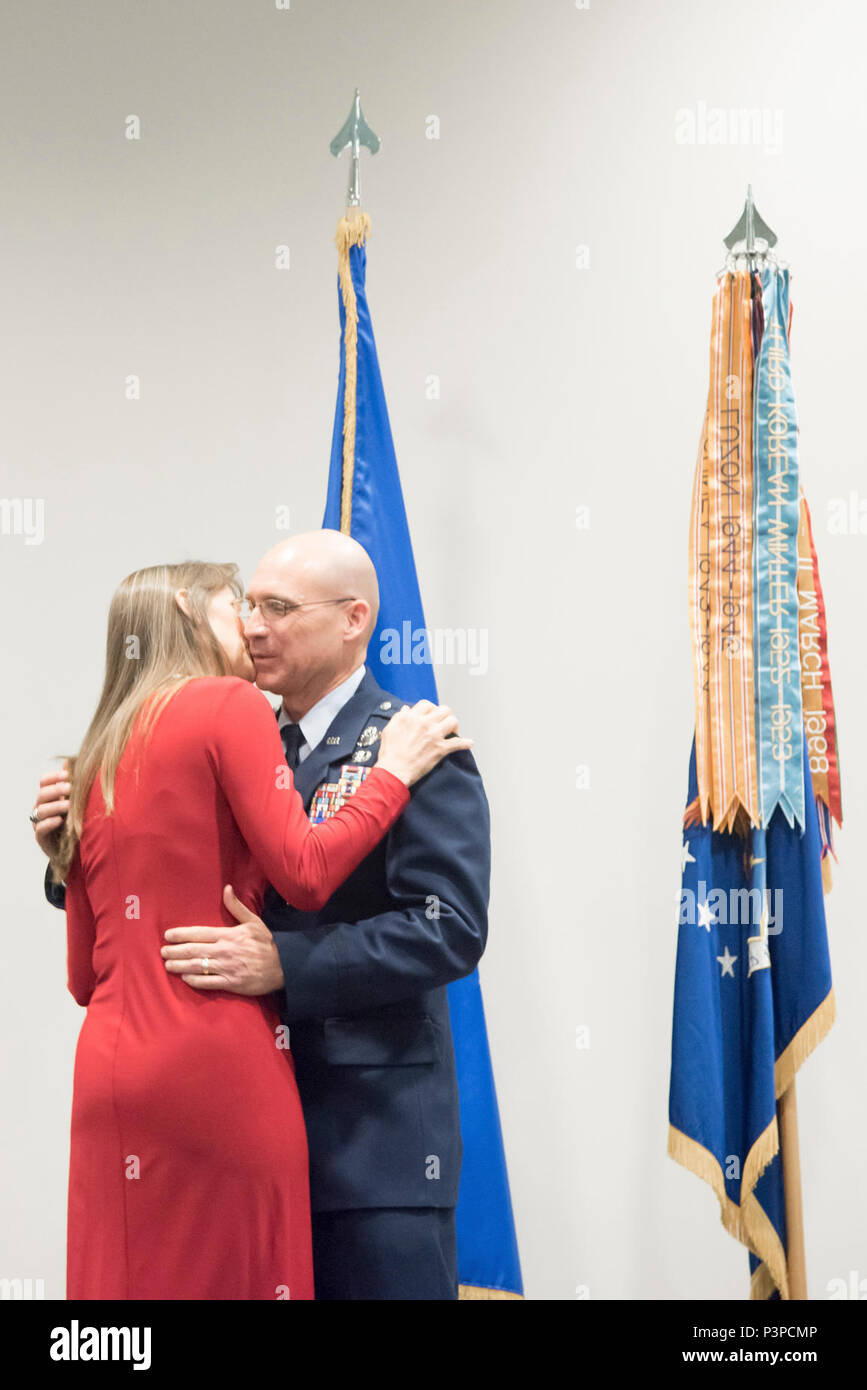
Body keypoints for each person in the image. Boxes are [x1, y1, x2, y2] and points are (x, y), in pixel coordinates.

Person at [35, 530, 491, 1301]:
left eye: (277, 608)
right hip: (231, 1122)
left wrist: (290, 965)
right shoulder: (227, 729)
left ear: (353, 620)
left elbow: (448, 927)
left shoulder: (414, 745)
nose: (252, 626)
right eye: (247, 605)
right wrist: (66, 850)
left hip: (370, 1142)